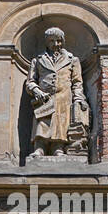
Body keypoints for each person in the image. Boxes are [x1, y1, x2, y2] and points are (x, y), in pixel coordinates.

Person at [25, 27, 90, 158]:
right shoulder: (37, 60)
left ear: (63, 41)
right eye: (52, 41)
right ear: (47, 42)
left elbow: (77, 83)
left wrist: (78, 99)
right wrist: (37, 91)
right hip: (44, 98)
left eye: (59, 41)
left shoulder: (72, 60)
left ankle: (58, 148)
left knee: (61, 124)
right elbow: (30, 82)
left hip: (64, 97)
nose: (56, 44)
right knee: (42, 122)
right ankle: (40, 148)